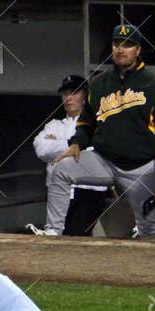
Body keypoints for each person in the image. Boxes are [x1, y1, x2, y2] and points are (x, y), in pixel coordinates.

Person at [47, 23, 155, 239]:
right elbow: (87, 122)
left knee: (151, 232)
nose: (120, 49)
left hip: (142, 167)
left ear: (138, 50)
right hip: (104, 161)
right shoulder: (99, 83)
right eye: (117, 44)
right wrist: (77, 143)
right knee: (61, 169)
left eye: (127, 45)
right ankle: (53, 233)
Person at [27, 74, 94, 235]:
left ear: (85, 96)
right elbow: (41, 150)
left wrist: (57, 144)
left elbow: (93, 153)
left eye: (74, 93)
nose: (68, 98)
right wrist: (73, 145)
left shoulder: (95, 124)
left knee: (77, 239)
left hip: (86, 190)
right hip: (56, 189)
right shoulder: (54, 125)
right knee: (54, 236)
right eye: (65, 94)